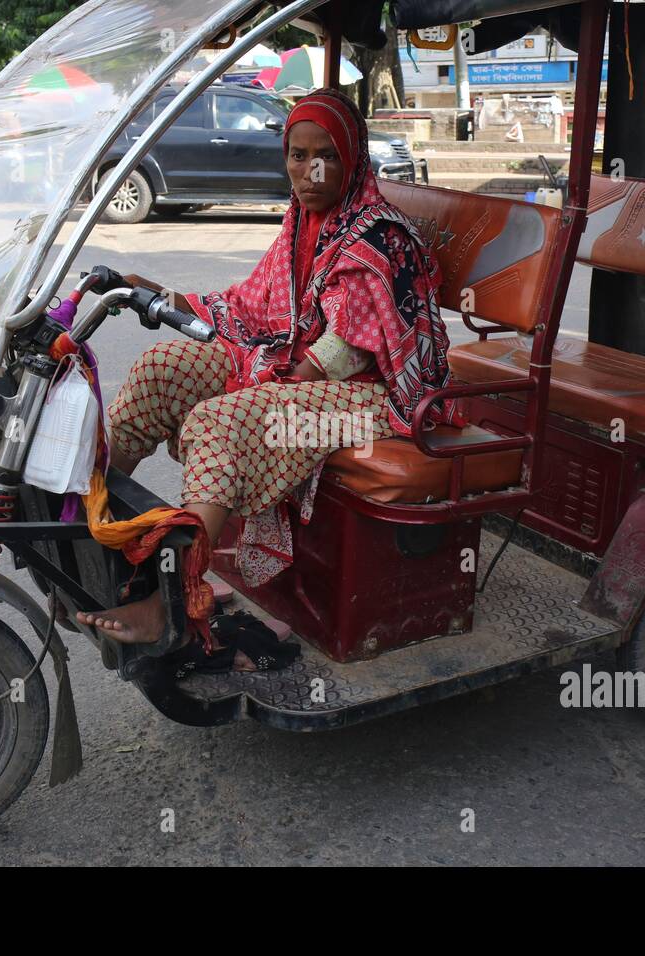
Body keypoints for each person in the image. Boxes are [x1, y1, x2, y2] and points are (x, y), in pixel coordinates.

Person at [73, 88, 459, 672]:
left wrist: (259, 397)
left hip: (382, 401)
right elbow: (253, 307)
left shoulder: (379, 235)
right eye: (297, 155)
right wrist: (161, 294)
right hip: (304, 376)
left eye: (325, 154)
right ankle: (92, 530)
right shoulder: (303, 221)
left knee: (223, 421)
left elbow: (347, 349)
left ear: (351, 157)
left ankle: (175, 604)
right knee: (160, 370)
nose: (310, 171)